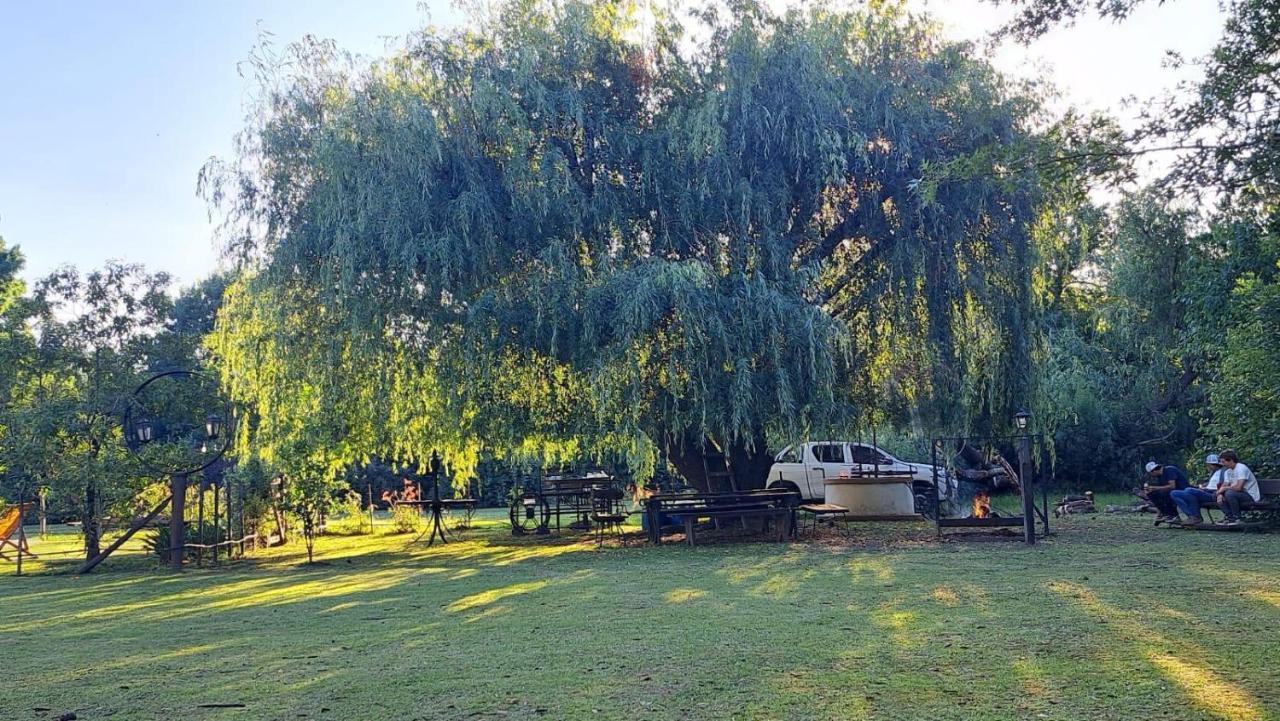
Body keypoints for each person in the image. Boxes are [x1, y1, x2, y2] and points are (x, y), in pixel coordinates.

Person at [1171, 454, 1226, 525]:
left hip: (1214, 494)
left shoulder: (1224, 472)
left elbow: (1223, 484)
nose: (1209, 467)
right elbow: (1210, 483)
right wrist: (1203, 487)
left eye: (1211, 465)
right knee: (1174, 493)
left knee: (1189, 490)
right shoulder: (1213, 473)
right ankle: (1193, 516)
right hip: (1206, 491)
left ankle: (1195, 517)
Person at [1215, 449, 1260, 526]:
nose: (1222, 464)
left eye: (1223, 462)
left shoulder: (1241, 468)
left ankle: (1237, 518)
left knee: (1229, 493)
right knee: (1216, 495)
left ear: (1231, 460)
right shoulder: (1227, 472)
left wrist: (1224, 489)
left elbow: (1239, 487)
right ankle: (1229, 517)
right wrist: (1219, 494)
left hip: (1249, 495)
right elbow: (1224, 485)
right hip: (1237, 494)